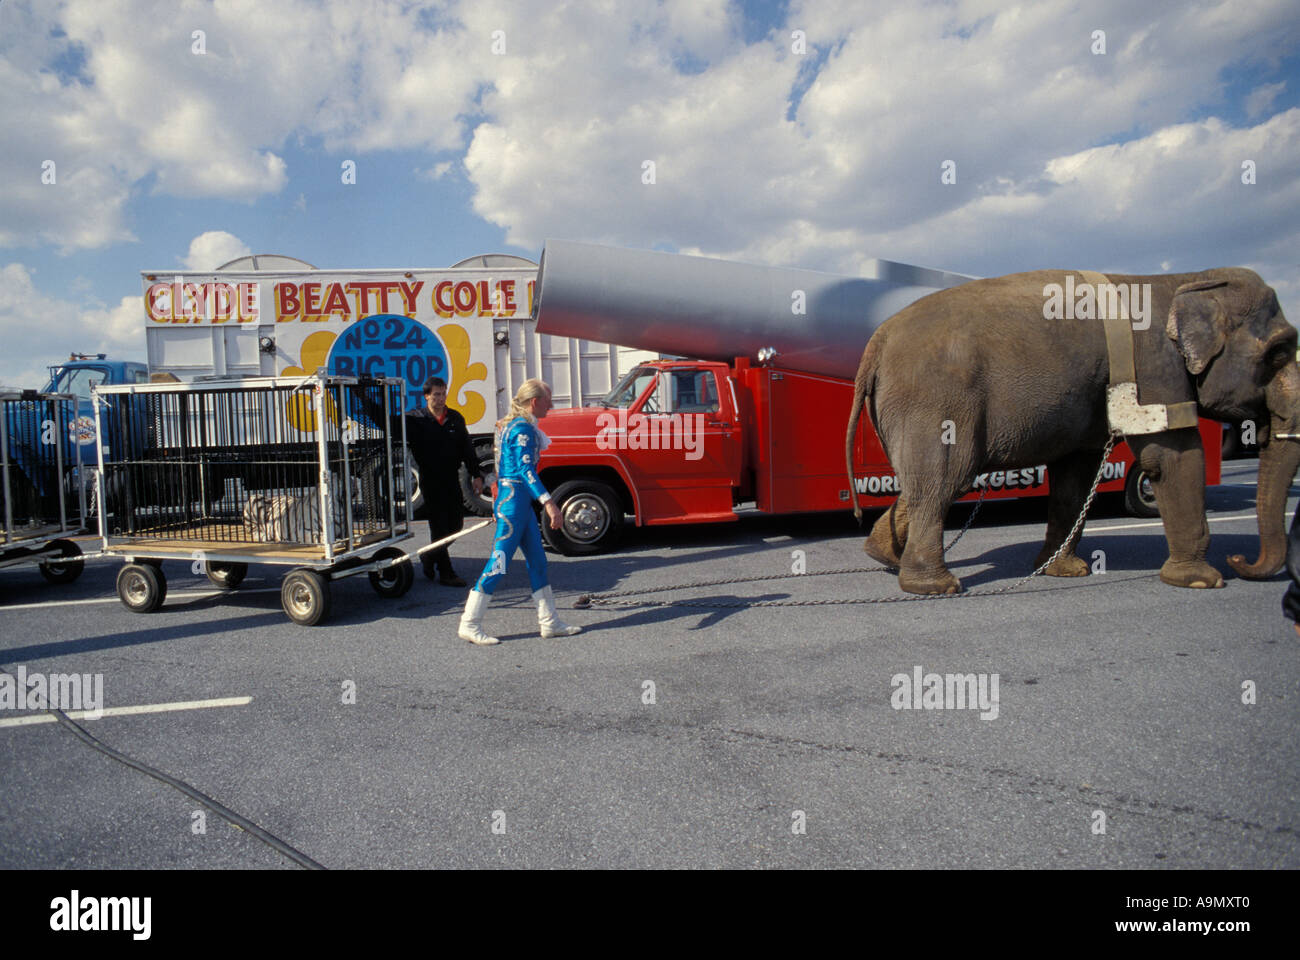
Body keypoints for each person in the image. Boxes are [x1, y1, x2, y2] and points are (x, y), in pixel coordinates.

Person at [459, 379, 581, 645]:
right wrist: (549, 503)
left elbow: (503, 467)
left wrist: (500, 498)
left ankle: (549, 622)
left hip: (515, 502)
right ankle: (469, 622)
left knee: (538, 562)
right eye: (548, 399)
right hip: (515, 503)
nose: (551, 404)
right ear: (535, 402)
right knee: (499, 562)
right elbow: (526, 471)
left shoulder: (511, 425)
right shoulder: (523, 428)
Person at [405, 376, 481, 586]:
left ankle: (429, 556)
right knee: (438, 526)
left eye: (443, 393)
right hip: (430, 479)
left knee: (456, 525)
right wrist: (364, 399)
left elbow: (467, 447)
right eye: (436, 394)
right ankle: (446, 573)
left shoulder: (455, 418)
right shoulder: (415, 420)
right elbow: (384, 421)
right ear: (427, 395)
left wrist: (476, 474)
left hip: (451, 477)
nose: (441, 398)